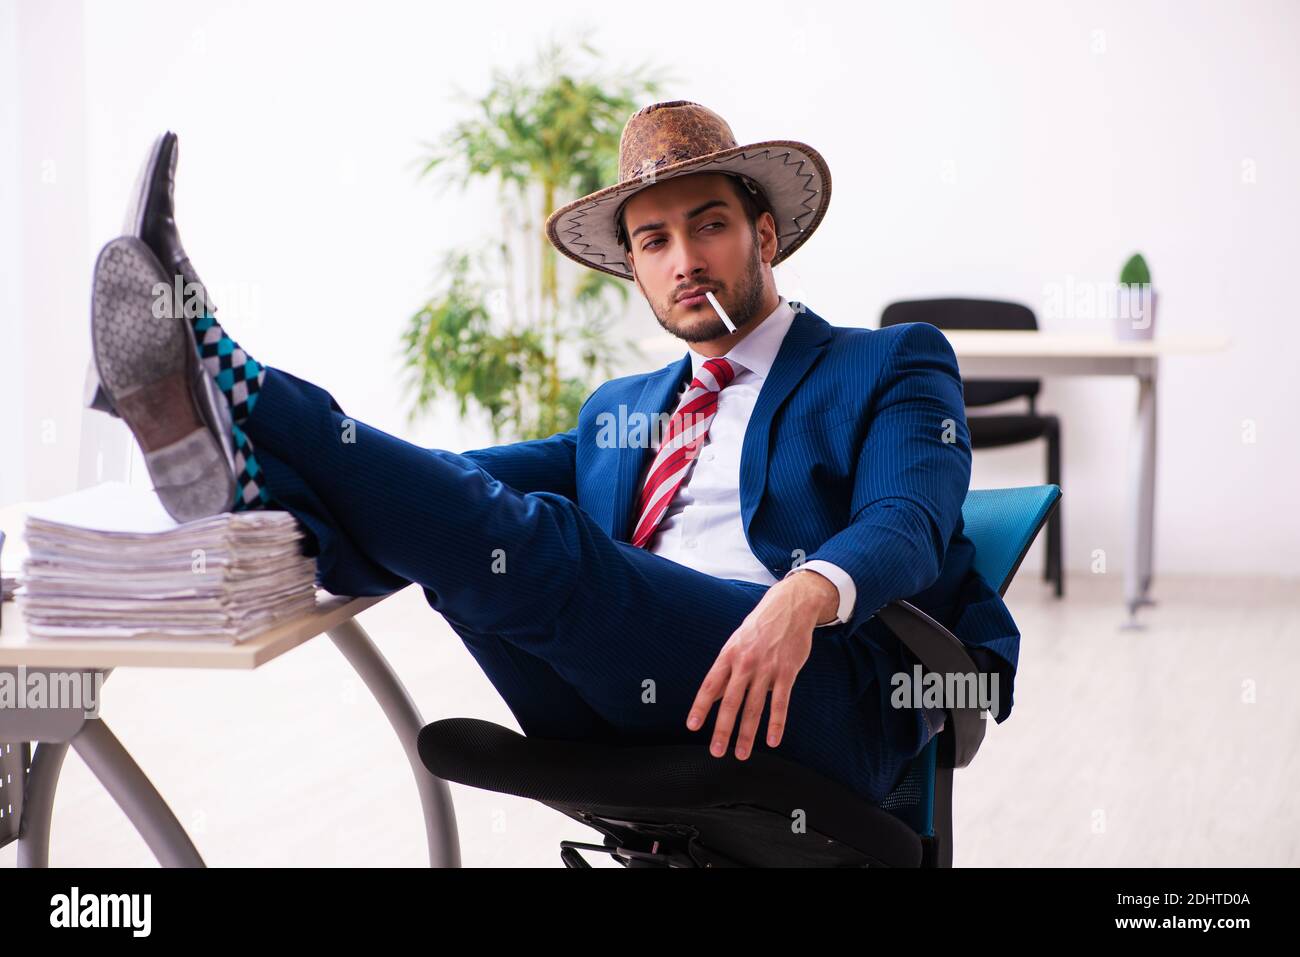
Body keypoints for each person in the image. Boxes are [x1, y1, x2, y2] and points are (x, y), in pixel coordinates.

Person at [86, 101, 1021, 805]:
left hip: (809, 691)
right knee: (460, 516)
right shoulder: (623, 410)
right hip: (617, 695)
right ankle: (246, 474)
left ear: (763, 235)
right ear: (637, 272)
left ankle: (227, 378)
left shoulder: (887, 362)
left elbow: (909, 520)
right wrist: (320, 486)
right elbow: (451, 487)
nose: (684, 258)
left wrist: (804, 596)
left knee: (547, 543)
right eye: (655, 241)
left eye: (709, 225)